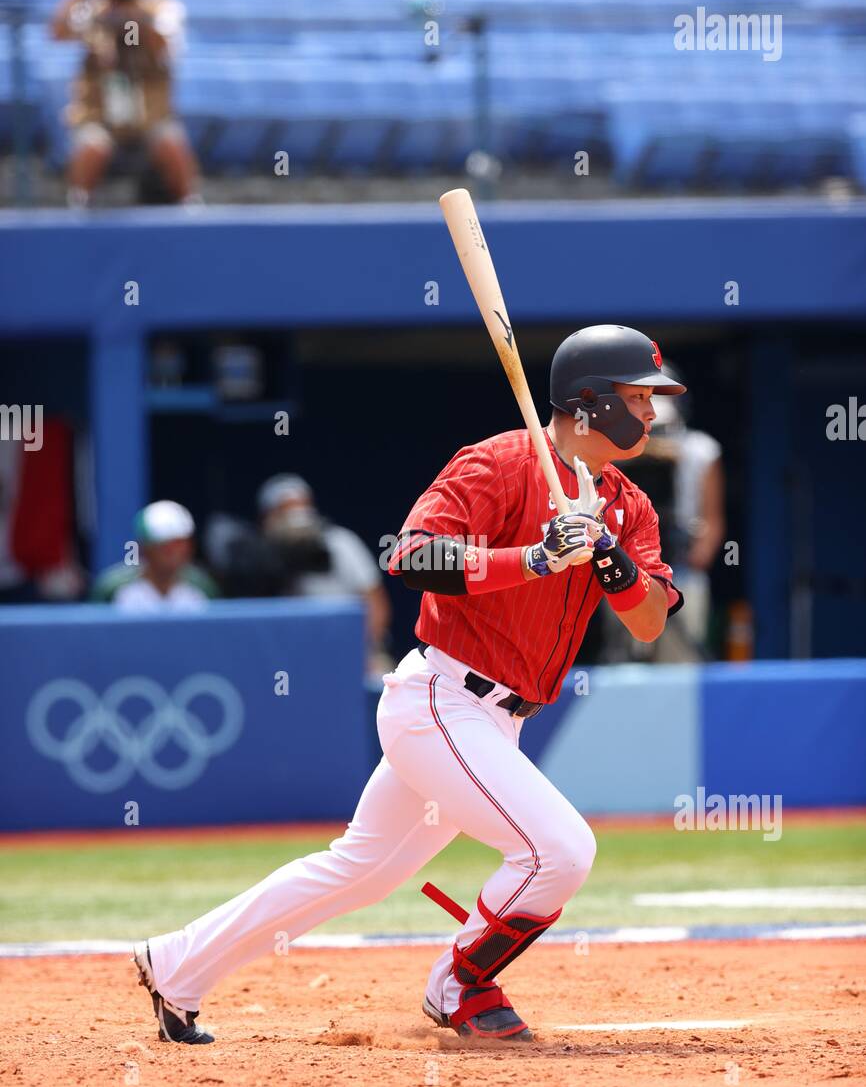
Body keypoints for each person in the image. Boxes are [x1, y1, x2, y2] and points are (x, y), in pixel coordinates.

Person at [132, 325, 684, 1044]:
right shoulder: (499, 463)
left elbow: (648, 621)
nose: (650, 413)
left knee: (357, 871)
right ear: (590, 403)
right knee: (561, 850)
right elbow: (412, 554)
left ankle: (176, 964)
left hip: (499, 721)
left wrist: (609, 557)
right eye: (639, 398)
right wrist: (536, 558)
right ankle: (460, 984)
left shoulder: (629, 508)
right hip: (440, 699)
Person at [49, 0, 200, 208]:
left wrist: (135, 18)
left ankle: (191, 209)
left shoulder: (162, 9)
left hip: (150, 121)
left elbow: (167, 47)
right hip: (100, 119)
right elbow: (58, 33)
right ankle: (78, 208)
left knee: (171, 142)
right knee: (92, 146)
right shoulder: (90, 11)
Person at [203, 475, 393, 675]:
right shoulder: (259, 556)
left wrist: (361, 649)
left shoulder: (340, 543)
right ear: (268, 517)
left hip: (355, 650)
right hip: (292, 659)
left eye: (304, 507)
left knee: (379, 676)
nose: (299, 518)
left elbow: (377, 604)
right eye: (287, 510)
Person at [615, 378, 725, 660]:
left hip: (682, 561)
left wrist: (697, 555)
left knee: (682, 657)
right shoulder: (616, 447)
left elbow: (713, 517)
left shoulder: (700, 448)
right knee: (627, 655)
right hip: (626, 560)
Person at [92, 500, 217, 612]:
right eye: (166, 546)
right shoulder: (112, 588)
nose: (176, 553)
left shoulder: (203, 587)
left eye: (181, 544)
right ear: (146, 549)